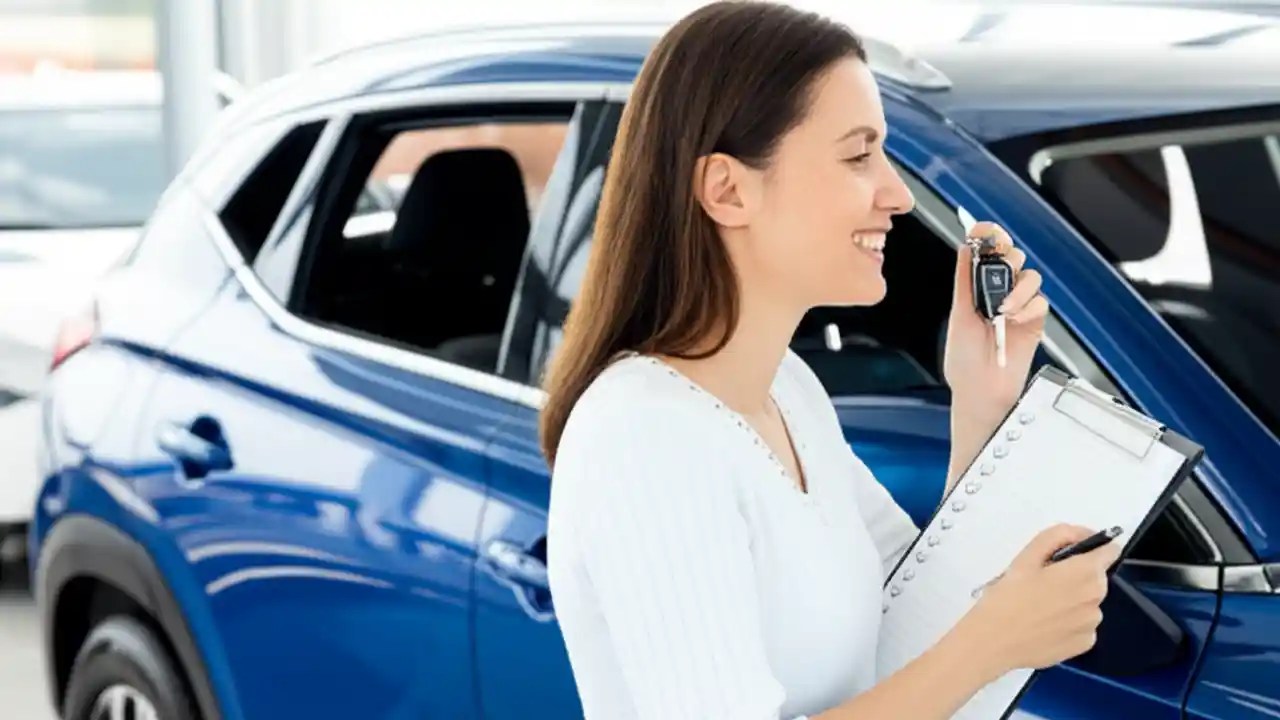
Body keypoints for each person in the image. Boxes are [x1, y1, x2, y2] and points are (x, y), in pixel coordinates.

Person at [539, 2, 1119, 718]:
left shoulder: (787, 389)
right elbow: (964, 652)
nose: (898, 196)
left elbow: (921, 637)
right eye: (857, 155)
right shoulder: (644, 438)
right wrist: (990, 644)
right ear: (727, 189)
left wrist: (983, 397)